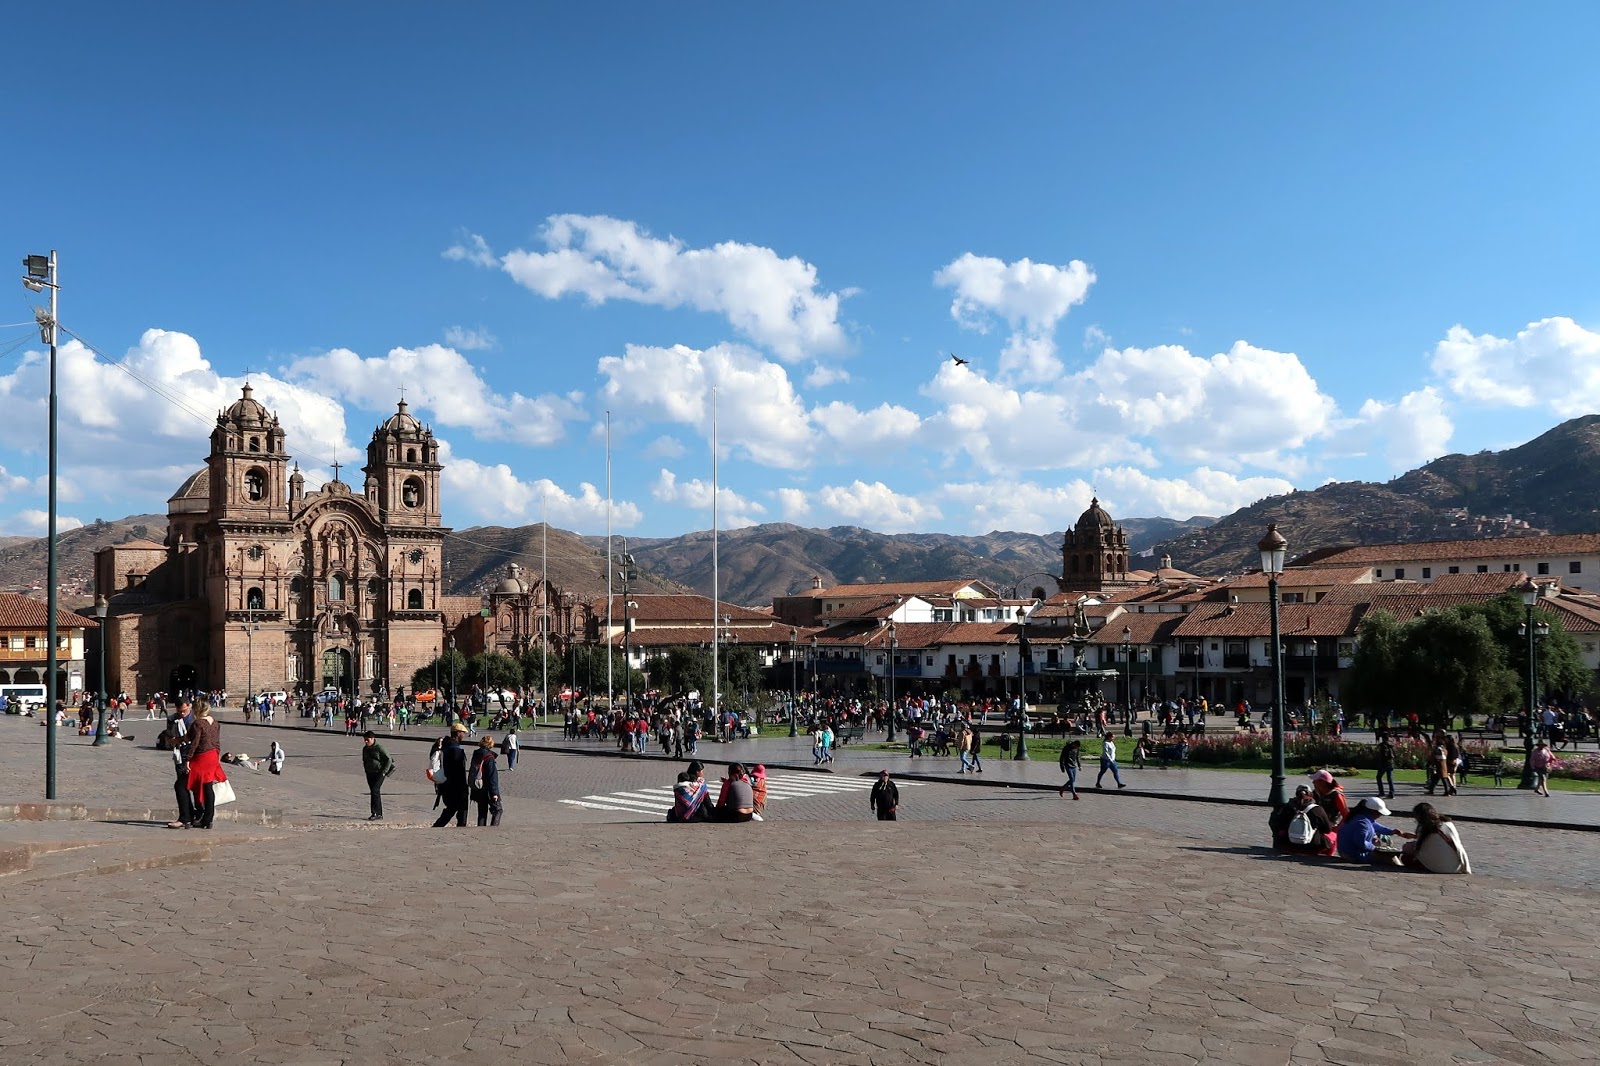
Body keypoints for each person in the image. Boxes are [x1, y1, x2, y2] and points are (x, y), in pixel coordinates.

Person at [183, 701, 226, 830]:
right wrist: (217, 755)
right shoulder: (215, 722)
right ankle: (208, 819)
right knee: (208, 786)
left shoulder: (198, 723)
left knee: (188, 782)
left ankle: (197, 813)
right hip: (213, 755)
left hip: (202, 756)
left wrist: (188, 759)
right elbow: (217, 741)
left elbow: (194, 743)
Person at [1400, 801, 1472, 873]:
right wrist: (1415, 836)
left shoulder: (1424, 828)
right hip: (1456, 866)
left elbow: (1419, 847)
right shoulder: (1448, 824)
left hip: (1439, 868)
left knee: (1406, 855)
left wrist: (1409, 845)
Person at [1336, 797, 1413, 864]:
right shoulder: (1363, 823)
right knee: (1391, 858)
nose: (1380, 815)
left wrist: (1392, 831)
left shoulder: (1361, 817)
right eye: (1380, 813)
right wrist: (1375, 848)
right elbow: (1361, 843)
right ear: (1373, 811)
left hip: (1347, 851)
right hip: (1353, 854)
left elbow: (1375, 826)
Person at [1268, 785, 1335, 855]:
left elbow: (1276, 824)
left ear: (1296, 794)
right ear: (1311, 795)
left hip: (1289, 843)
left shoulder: (1287, 807)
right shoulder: (1317, 809)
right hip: (1312, 845)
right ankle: (1327, 857)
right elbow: (1327, 829)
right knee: (1333, 836)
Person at [432, 725, 470, 828]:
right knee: (461, 809)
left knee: (451, 808)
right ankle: (461, 827)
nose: (464, 735)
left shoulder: (446, 745)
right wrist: (463, 786)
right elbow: (458, 769)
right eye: (463, 733)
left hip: (447, 784)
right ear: (458, 733)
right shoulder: (455, 749)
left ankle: (438, 826)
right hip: (456, 785)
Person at [164, 728, 195, 829]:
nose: (180, 712)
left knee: (181, 786)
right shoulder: (175, 719)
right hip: (186, 757)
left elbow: (195, 739)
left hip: (193, 758)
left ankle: (187, 818)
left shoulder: (196, 723)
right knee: (185, 786)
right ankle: (196, 817)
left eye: (182, 710)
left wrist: (188, 758)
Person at [361, 731, 395, 821]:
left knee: (375, 790)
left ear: (373, 739)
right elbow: (364, 760)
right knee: (374, 792)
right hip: (370, 772)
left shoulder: (379, 748)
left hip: (379, 772)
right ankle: (378, 813)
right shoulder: (365, 749)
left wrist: (384, 771)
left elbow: (389, 760)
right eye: (364, 740)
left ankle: (375, 813)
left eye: (367, 740)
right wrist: (366, 769)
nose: (365, 742)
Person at [473, 736, 502, 826]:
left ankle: (481, 829)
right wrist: (495, 793)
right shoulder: (489, 757)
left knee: (482, 812)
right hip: (488, 788)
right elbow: (492, 776)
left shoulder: (477, 754)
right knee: (498, 810)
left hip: (478, 786)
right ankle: (493, 829)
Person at [1374, 730, 1396, 800]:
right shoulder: (1391, 745)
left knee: (1379, 777)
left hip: (1384, 763)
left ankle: (1381, 792)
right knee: (1390, 779)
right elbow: (1395, 754)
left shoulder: (1383, 745)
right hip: (1391, 763)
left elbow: (1383, 755)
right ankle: (1391, 793)